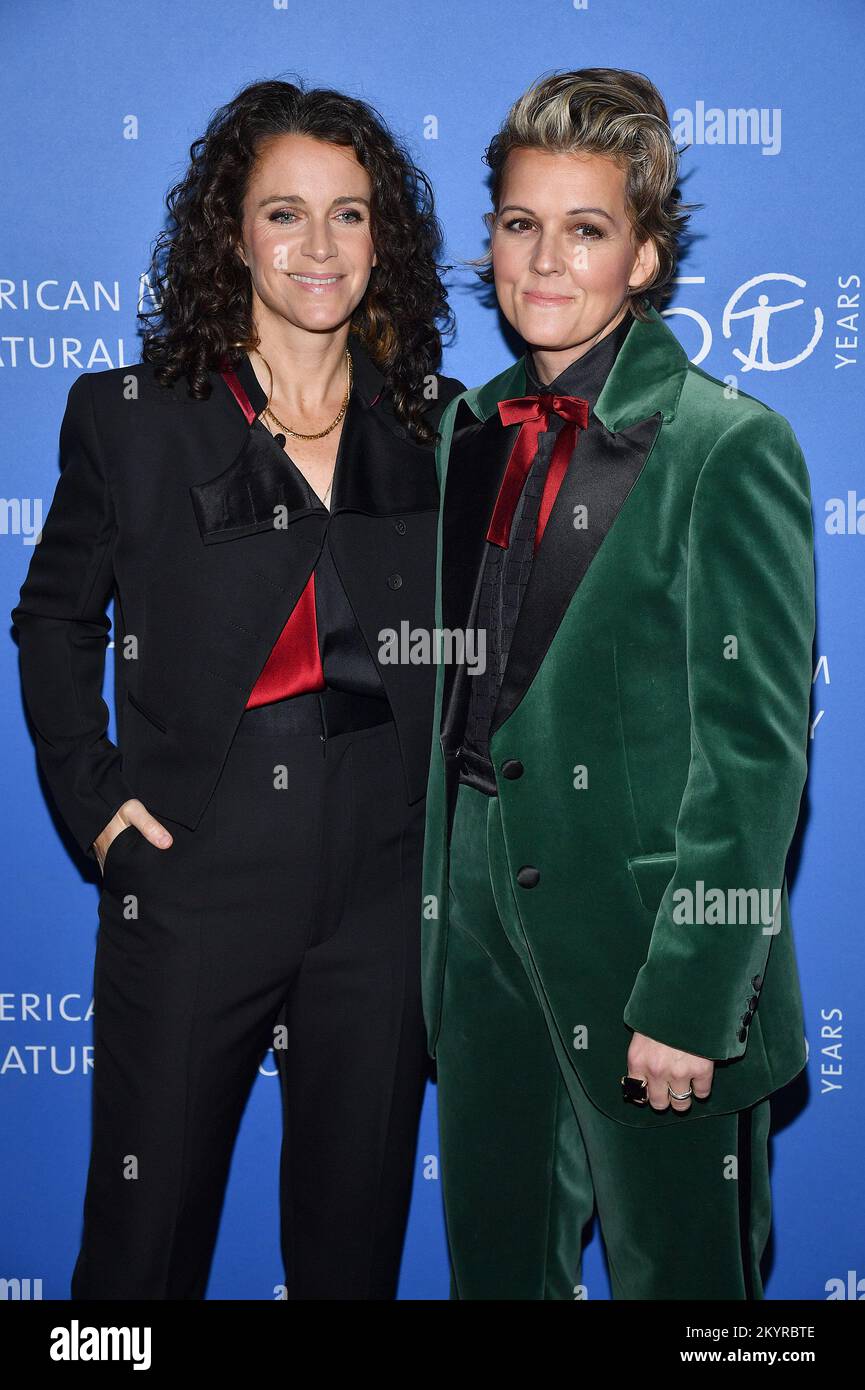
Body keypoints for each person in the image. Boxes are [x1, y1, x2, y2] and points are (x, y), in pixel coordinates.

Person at [11, 78, 463, 1300]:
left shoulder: (432, 425)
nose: (319, 247)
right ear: (233, 233)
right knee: (134, 1254)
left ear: (386, 237)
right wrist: (96, 805)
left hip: (382, 878)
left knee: (352, 1249)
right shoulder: (133, 417)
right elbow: (54, 619)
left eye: (350, 215)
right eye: (283, 213)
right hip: (197, 870)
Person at [421, 67, 815, 1300]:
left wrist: (695, 996)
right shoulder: (466, 428)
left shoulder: (725, 445)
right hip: (478, 934)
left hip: (653, 949)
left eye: (585, 230)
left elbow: (755, 754)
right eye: (519, 224)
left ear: (642, 258)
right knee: (496, 1274)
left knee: (690, 1295)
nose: (544, 260)